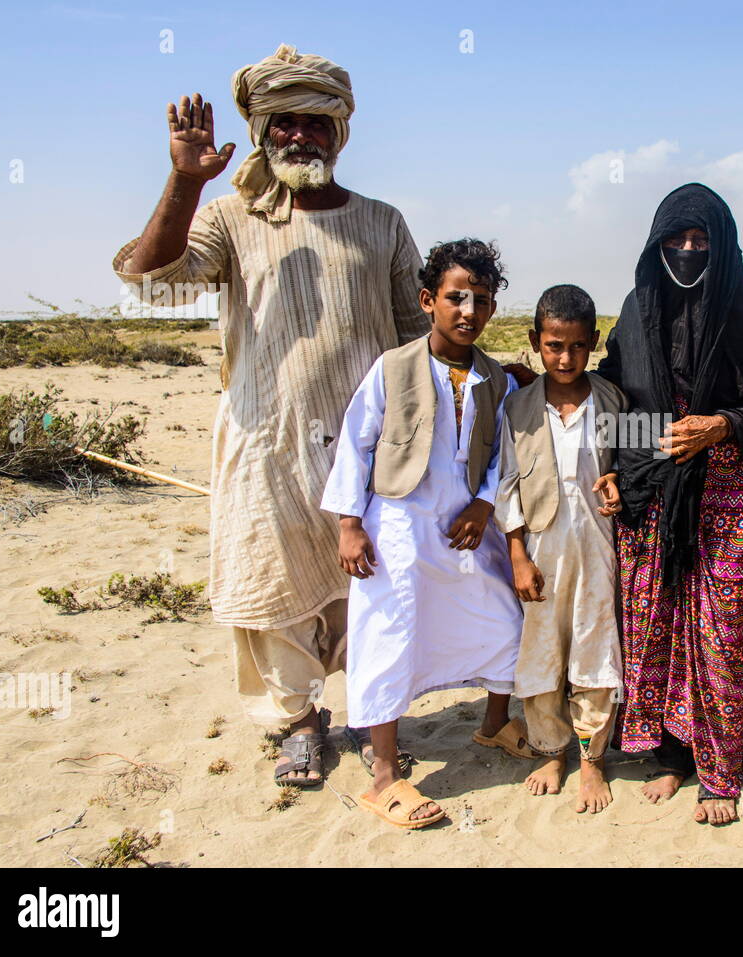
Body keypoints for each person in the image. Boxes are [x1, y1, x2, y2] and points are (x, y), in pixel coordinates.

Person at [111, 44, 428, 787]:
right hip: (266, 443)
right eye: (284, 123)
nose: (300, 137)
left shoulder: (381, 223)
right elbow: (151, 285)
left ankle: (369, 714)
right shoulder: (227, 218)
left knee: (373, 587)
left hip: (367, 446)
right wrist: (184, 180)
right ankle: (300, 723)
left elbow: (415, 333)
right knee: (275, 589)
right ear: (262, 132)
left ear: (338, 133)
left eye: (316, 123)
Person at [598, 183, 743, 825]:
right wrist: (616, 467)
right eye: (675, 240)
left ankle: (719, 765)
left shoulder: (738, 307)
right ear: (657, 244)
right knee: (655, 625)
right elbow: (620, 403)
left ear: (721, 245)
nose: (686, 250)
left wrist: (720, 424)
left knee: (718, 632)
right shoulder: (636, 307)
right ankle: (672, 755)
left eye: (700, 240)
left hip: (725, 493)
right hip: (653, 494)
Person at [321, 239, 527, 828]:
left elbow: (503, 457)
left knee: (500, 621)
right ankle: (384, 779)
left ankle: (494, 725)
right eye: (455, 298)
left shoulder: (497, 380)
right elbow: (356, 445)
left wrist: (485, 507)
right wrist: (349, 524)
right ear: (426, 301)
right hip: (398, 528)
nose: (468, 311)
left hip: (465, 528)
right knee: (389, 636)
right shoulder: (392, 367)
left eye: (481, 301)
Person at [494, 284, 626, 814]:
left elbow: (625, 468)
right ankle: (550, 748)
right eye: (553, 346)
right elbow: (505, 484)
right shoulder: (518, 407)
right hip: (542, 549)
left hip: (598, 545)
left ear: (594, 342)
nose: (565, 358)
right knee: (542, 647)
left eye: (576, 346)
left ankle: (592, 757)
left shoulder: (613, 400)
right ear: (535, 343)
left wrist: (619, 482)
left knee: (596, 644)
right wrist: (518, 555)